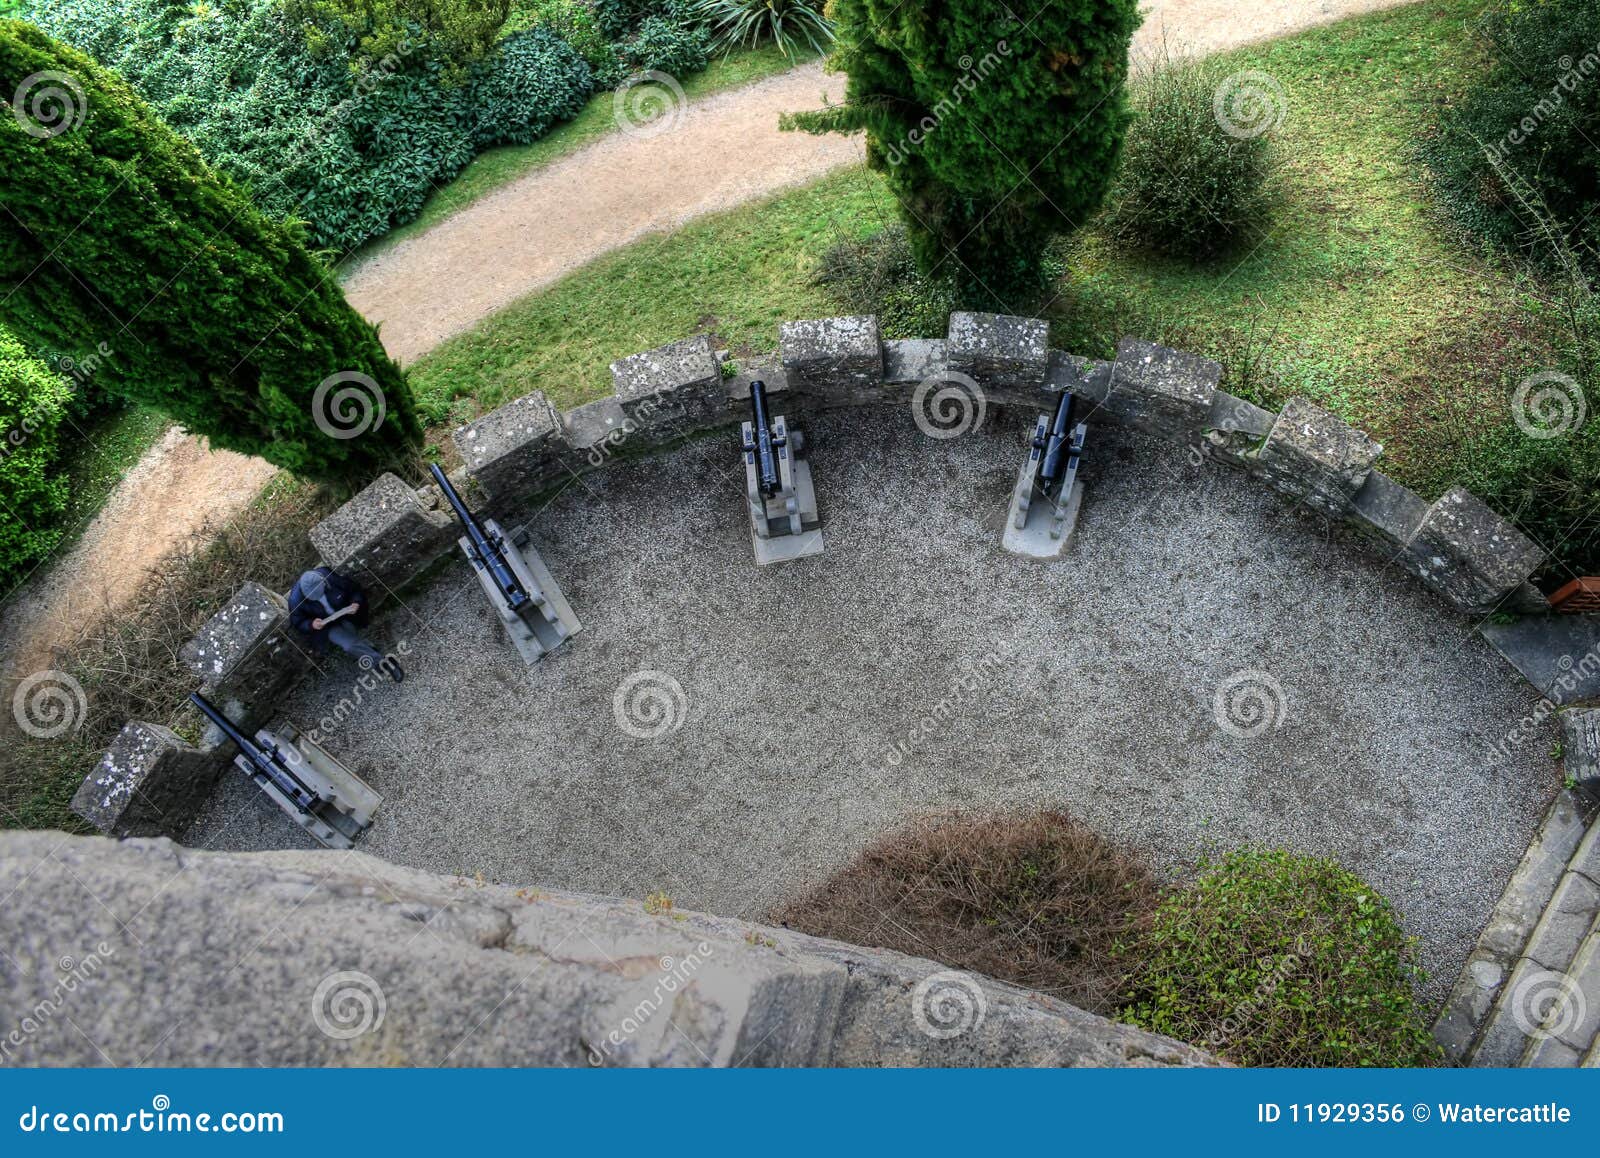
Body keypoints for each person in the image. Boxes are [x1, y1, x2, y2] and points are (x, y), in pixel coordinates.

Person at [287, 567, 404, 682]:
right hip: (327, 627)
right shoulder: (295, 600)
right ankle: (384, 664)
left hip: (344, 613)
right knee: (349, 645)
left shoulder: (329, 576)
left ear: (323, 581)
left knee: (352, 635)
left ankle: (367, 648)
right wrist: (311, 624)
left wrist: (356, 602)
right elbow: (297, 622)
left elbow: (353, 589)